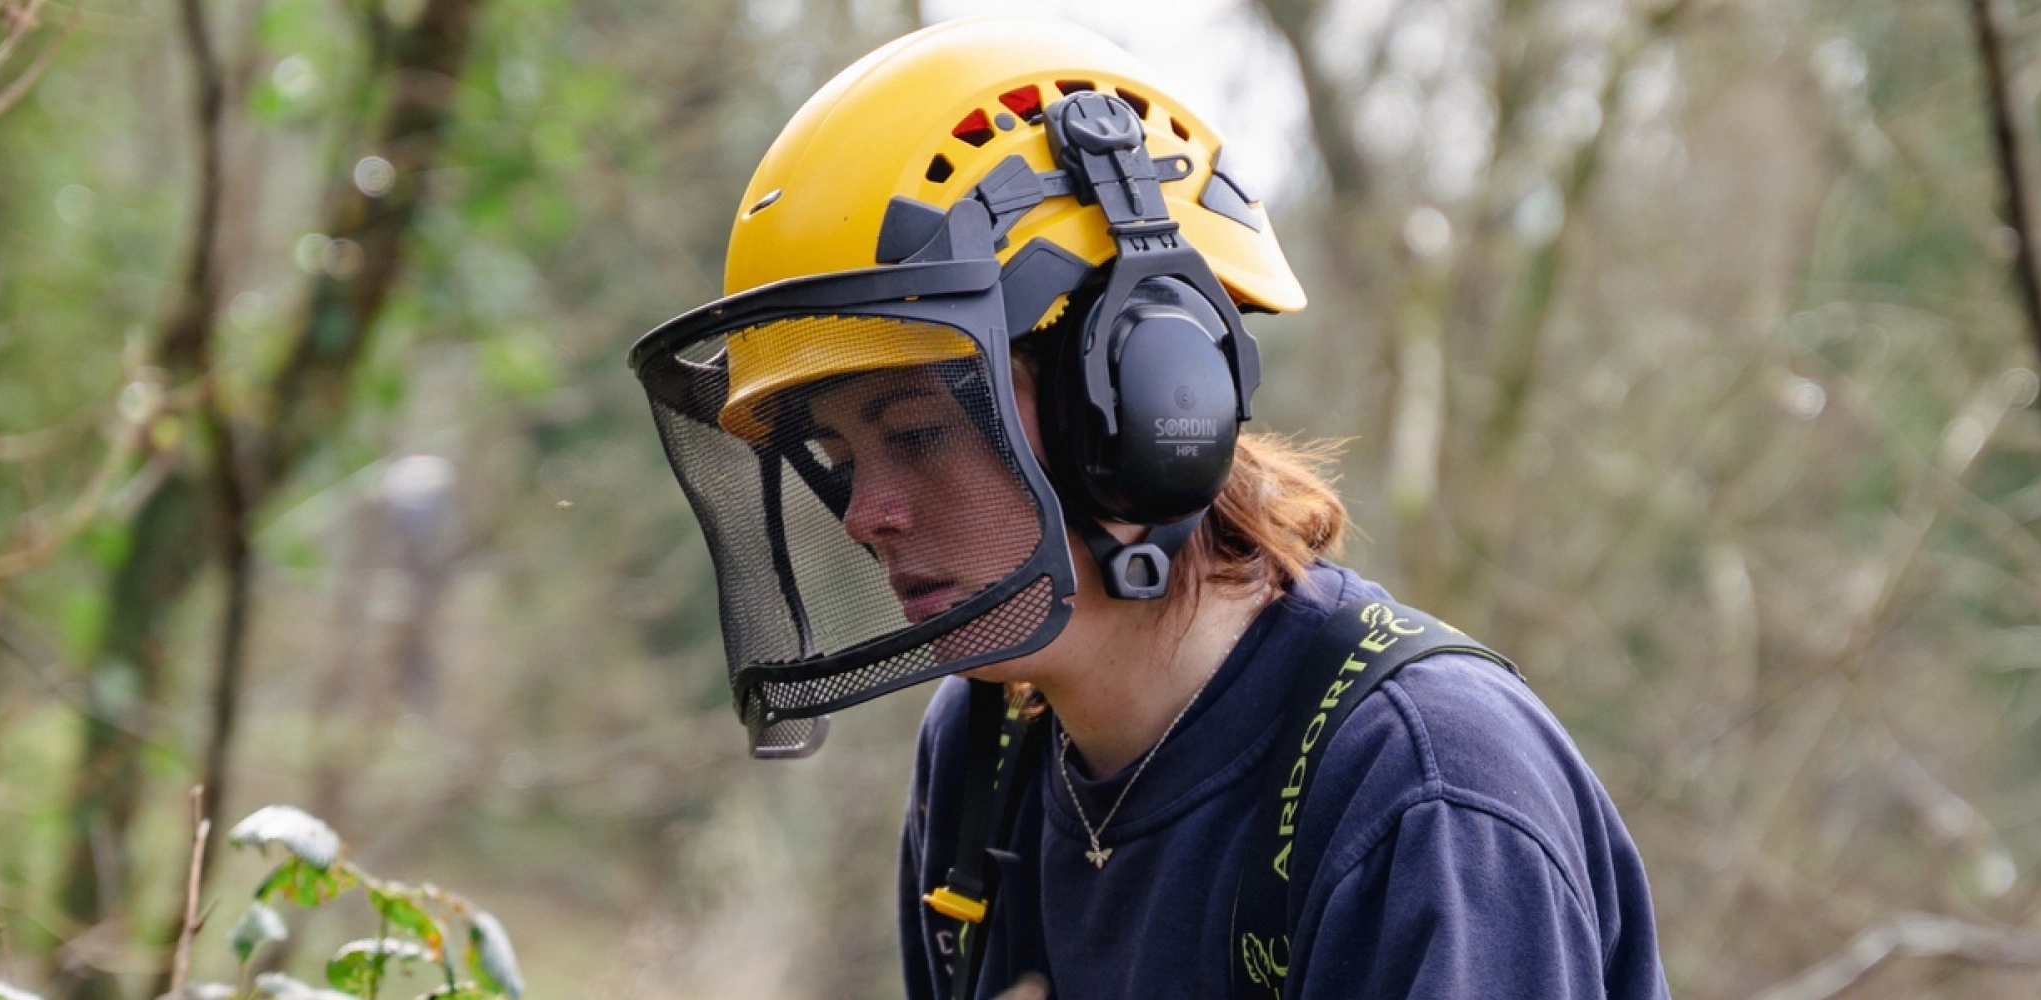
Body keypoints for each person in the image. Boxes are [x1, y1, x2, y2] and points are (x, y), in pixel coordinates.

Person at [624, 16, 1671, 999]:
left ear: (1130, 399)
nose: (865, 513)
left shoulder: (1420, 789)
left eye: (917, 430)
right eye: (834, 452)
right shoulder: (981, 751)